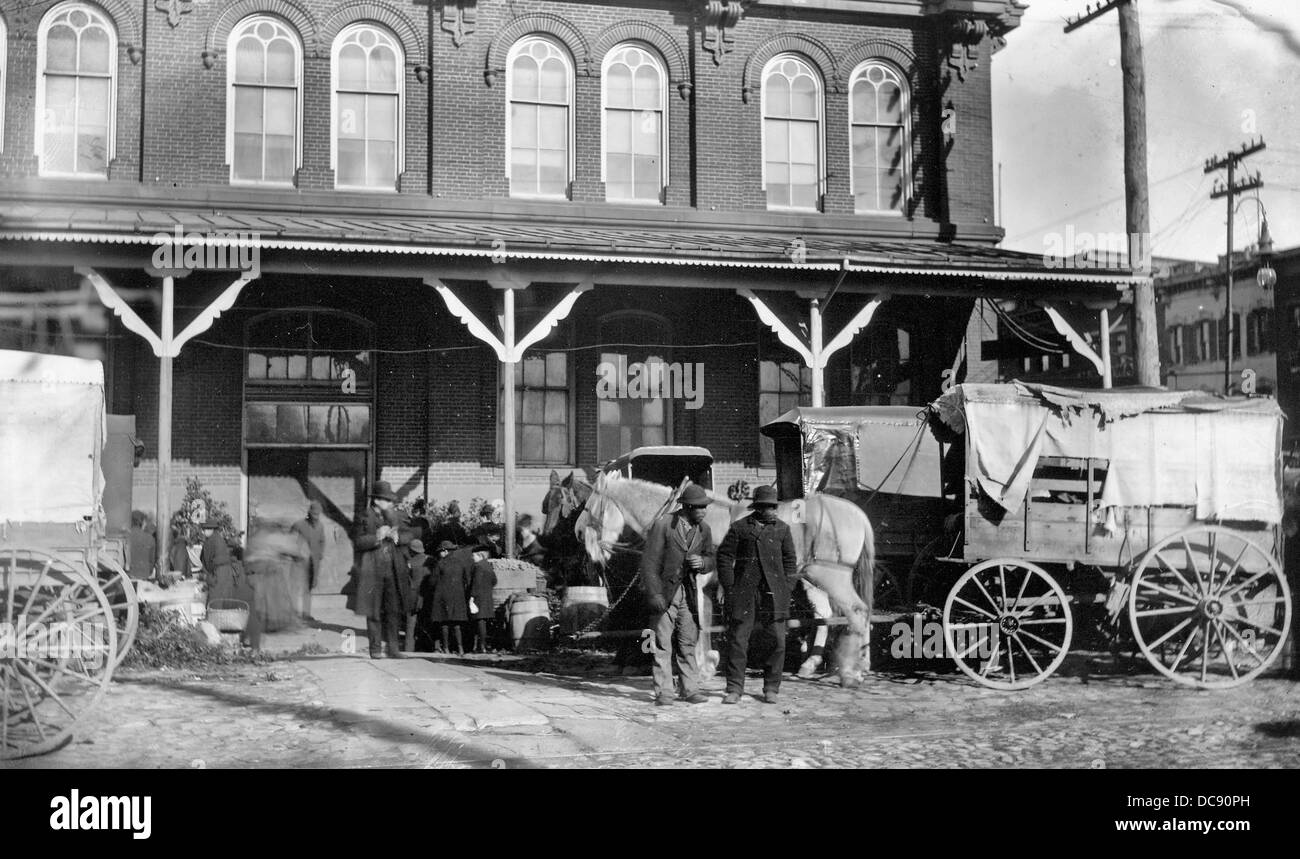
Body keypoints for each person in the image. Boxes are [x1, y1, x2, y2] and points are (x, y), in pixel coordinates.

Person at [716, 485, 799, 706]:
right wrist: (730, 587)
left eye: (774, 507)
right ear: (758, 508)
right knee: (738, 641)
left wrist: (786, 587)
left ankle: (771, 687)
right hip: (745, 594)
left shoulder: (783, 530)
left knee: (778, 641)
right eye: (768, 507)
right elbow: (724, 557)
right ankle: (734, 688)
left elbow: (791, 562)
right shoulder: (740, 528)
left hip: (774, 595)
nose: (772, 511)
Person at [639, 483, 716, 706]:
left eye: (705, 507)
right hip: (665, 593)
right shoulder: (664, 525)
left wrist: (703, 563)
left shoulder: (704, 530)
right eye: (699, 507)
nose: (703, 511)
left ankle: (690, 689)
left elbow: (711, 558)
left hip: (689, 593)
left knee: (687, 642)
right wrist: (654, 594)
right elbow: (649, 564)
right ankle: (664, 692)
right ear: (687, 507)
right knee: (662, 643)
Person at [353, 481, 413, 659]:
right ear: (377, 500)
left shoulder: (394, 516)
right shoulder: (364, 516)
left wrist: (397, 537)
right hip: (372, 570)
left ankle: (393, 649)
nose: (391, 504)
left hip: (392, 570)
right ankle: (376, 649)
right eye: (388, 500)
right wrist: (377, 537)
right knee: (374, 611)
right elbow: (357, 542)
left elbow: (409, 535)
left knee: (393, 610)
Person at [429, 539, 472, 655]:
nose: (439, 554)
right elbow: (467, 580)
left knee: (445, 624)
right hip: (458, 597)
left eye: (440, 552)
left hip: (443, 597)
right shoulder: (461, 563)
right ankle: (460, 648)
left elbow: (432, 582)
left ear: (445, 551)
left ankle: (446, 648)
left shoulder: (440, 563)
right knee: (457, 624)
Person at [290, 500, 326, 621]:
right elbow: (289, 540)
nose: (315, 517)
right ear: (309, 513)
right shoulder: (298, 525)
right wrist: (295, 553)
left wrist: (320, 554)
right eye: (313, 514)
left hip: (313, 563)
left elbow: (322, 541)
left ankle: (306, 614)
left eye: (318, 515)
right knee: (295, 588)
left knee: (308, 589)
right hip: (298, 562)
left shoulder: (320, 526)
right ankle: (293, 614)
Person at [468, 542, 497, 653]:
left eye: (474, 556)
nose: (472, 558)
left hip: (478, 598)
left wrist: (472, 597)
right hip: (487, 597)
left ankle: (481, 647)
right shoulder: (488, 566)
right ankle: (482, 646)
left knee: (479, 622)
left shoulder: (478, 566)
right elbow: (494, 581)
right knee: (483, 621)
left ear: (480, 556)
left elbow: (476, 583)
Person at [404, 539, 431, 652]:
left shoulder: (409, 563)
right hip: (427, 595)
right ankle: (428, 647)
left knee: (410, 624)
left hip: (412, 595)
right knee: (427, 622)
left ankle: (409, 648)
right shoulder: (430, 559)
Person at [126, 510, 157, 581]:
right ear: (142, 522)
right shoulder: (150, 538)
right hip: (144, 577)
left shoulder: (124, 538)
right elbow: (152, 563)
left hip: (126, 577)